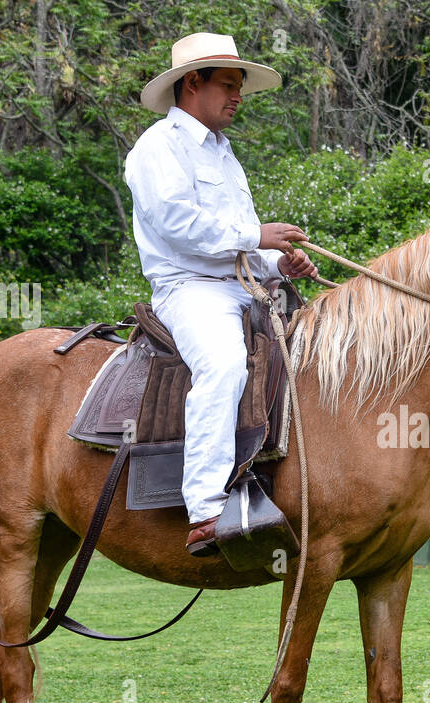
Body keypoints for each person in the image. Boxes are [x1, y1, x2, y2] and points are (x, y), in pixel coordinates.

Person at [124, 33, 318, 557]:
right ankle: (207, 508)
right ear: (193, 83)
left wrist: (281, 263)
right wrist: (258, 237)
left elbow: (244, 245)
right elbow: (176, 224)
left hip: (244, 286)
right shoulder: (156, 148)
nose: (237, 97)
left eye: (239, 88)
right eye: (229, 85)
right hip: (190, 291)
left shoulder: (225, 153)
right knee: (225, 365)